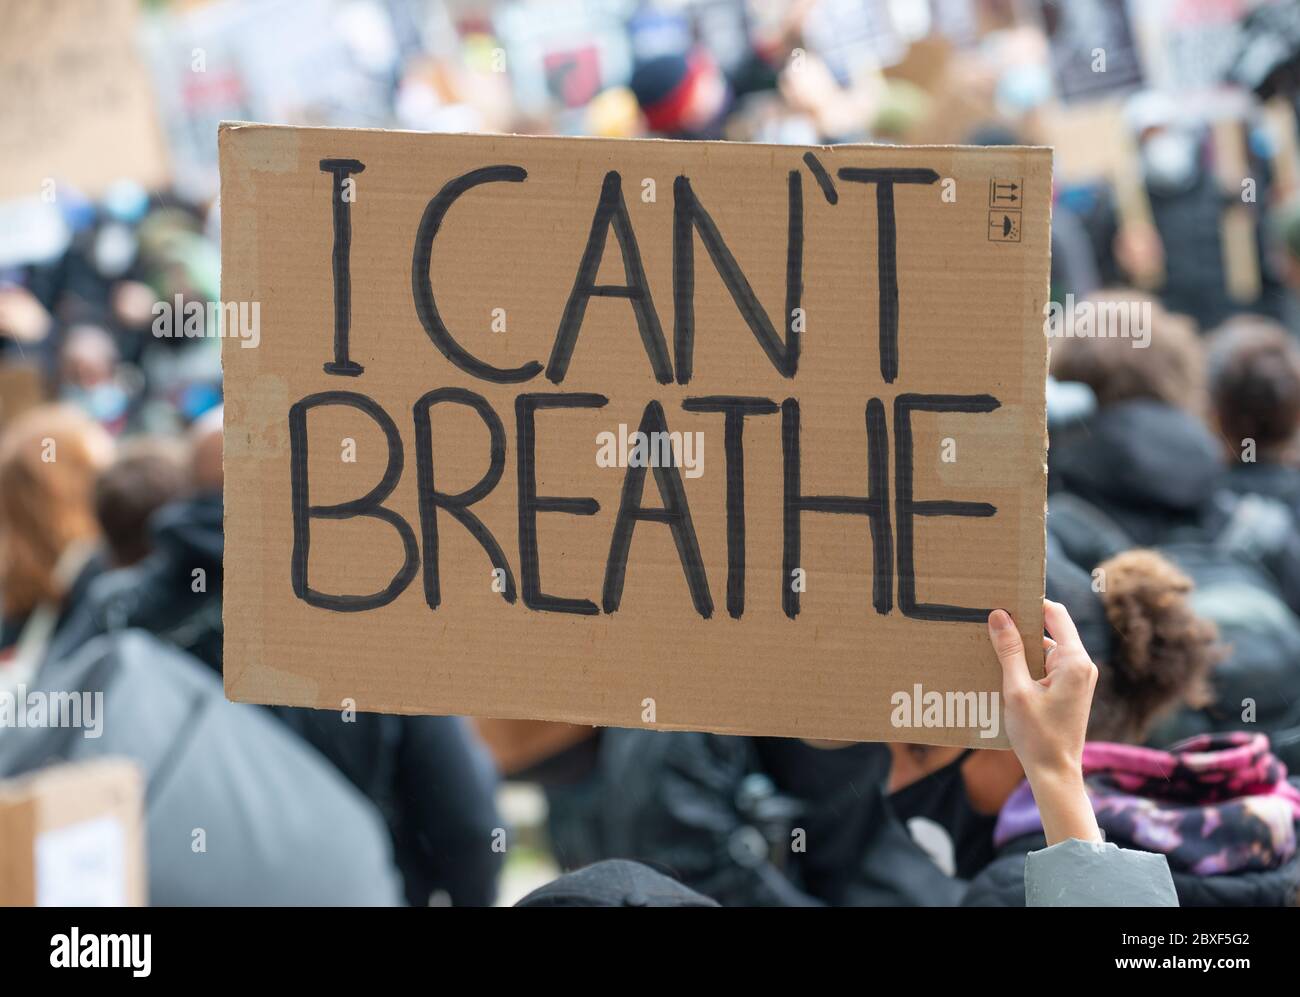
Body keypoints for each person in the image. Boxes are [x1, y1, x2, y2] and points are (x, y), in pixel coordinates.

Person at [0, 405, 404, 905]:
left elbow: (41, 744)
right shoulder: (364, 602)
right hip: (341, 874)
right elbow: (465, 813)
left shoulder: (115, 612)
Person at [967, 552, 1300, 907]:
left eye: (931, 747)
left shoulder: (1013, 885)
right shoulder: (1270, 810)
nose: (902, 777)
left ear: (1021, 723)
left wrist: (1053, 770)